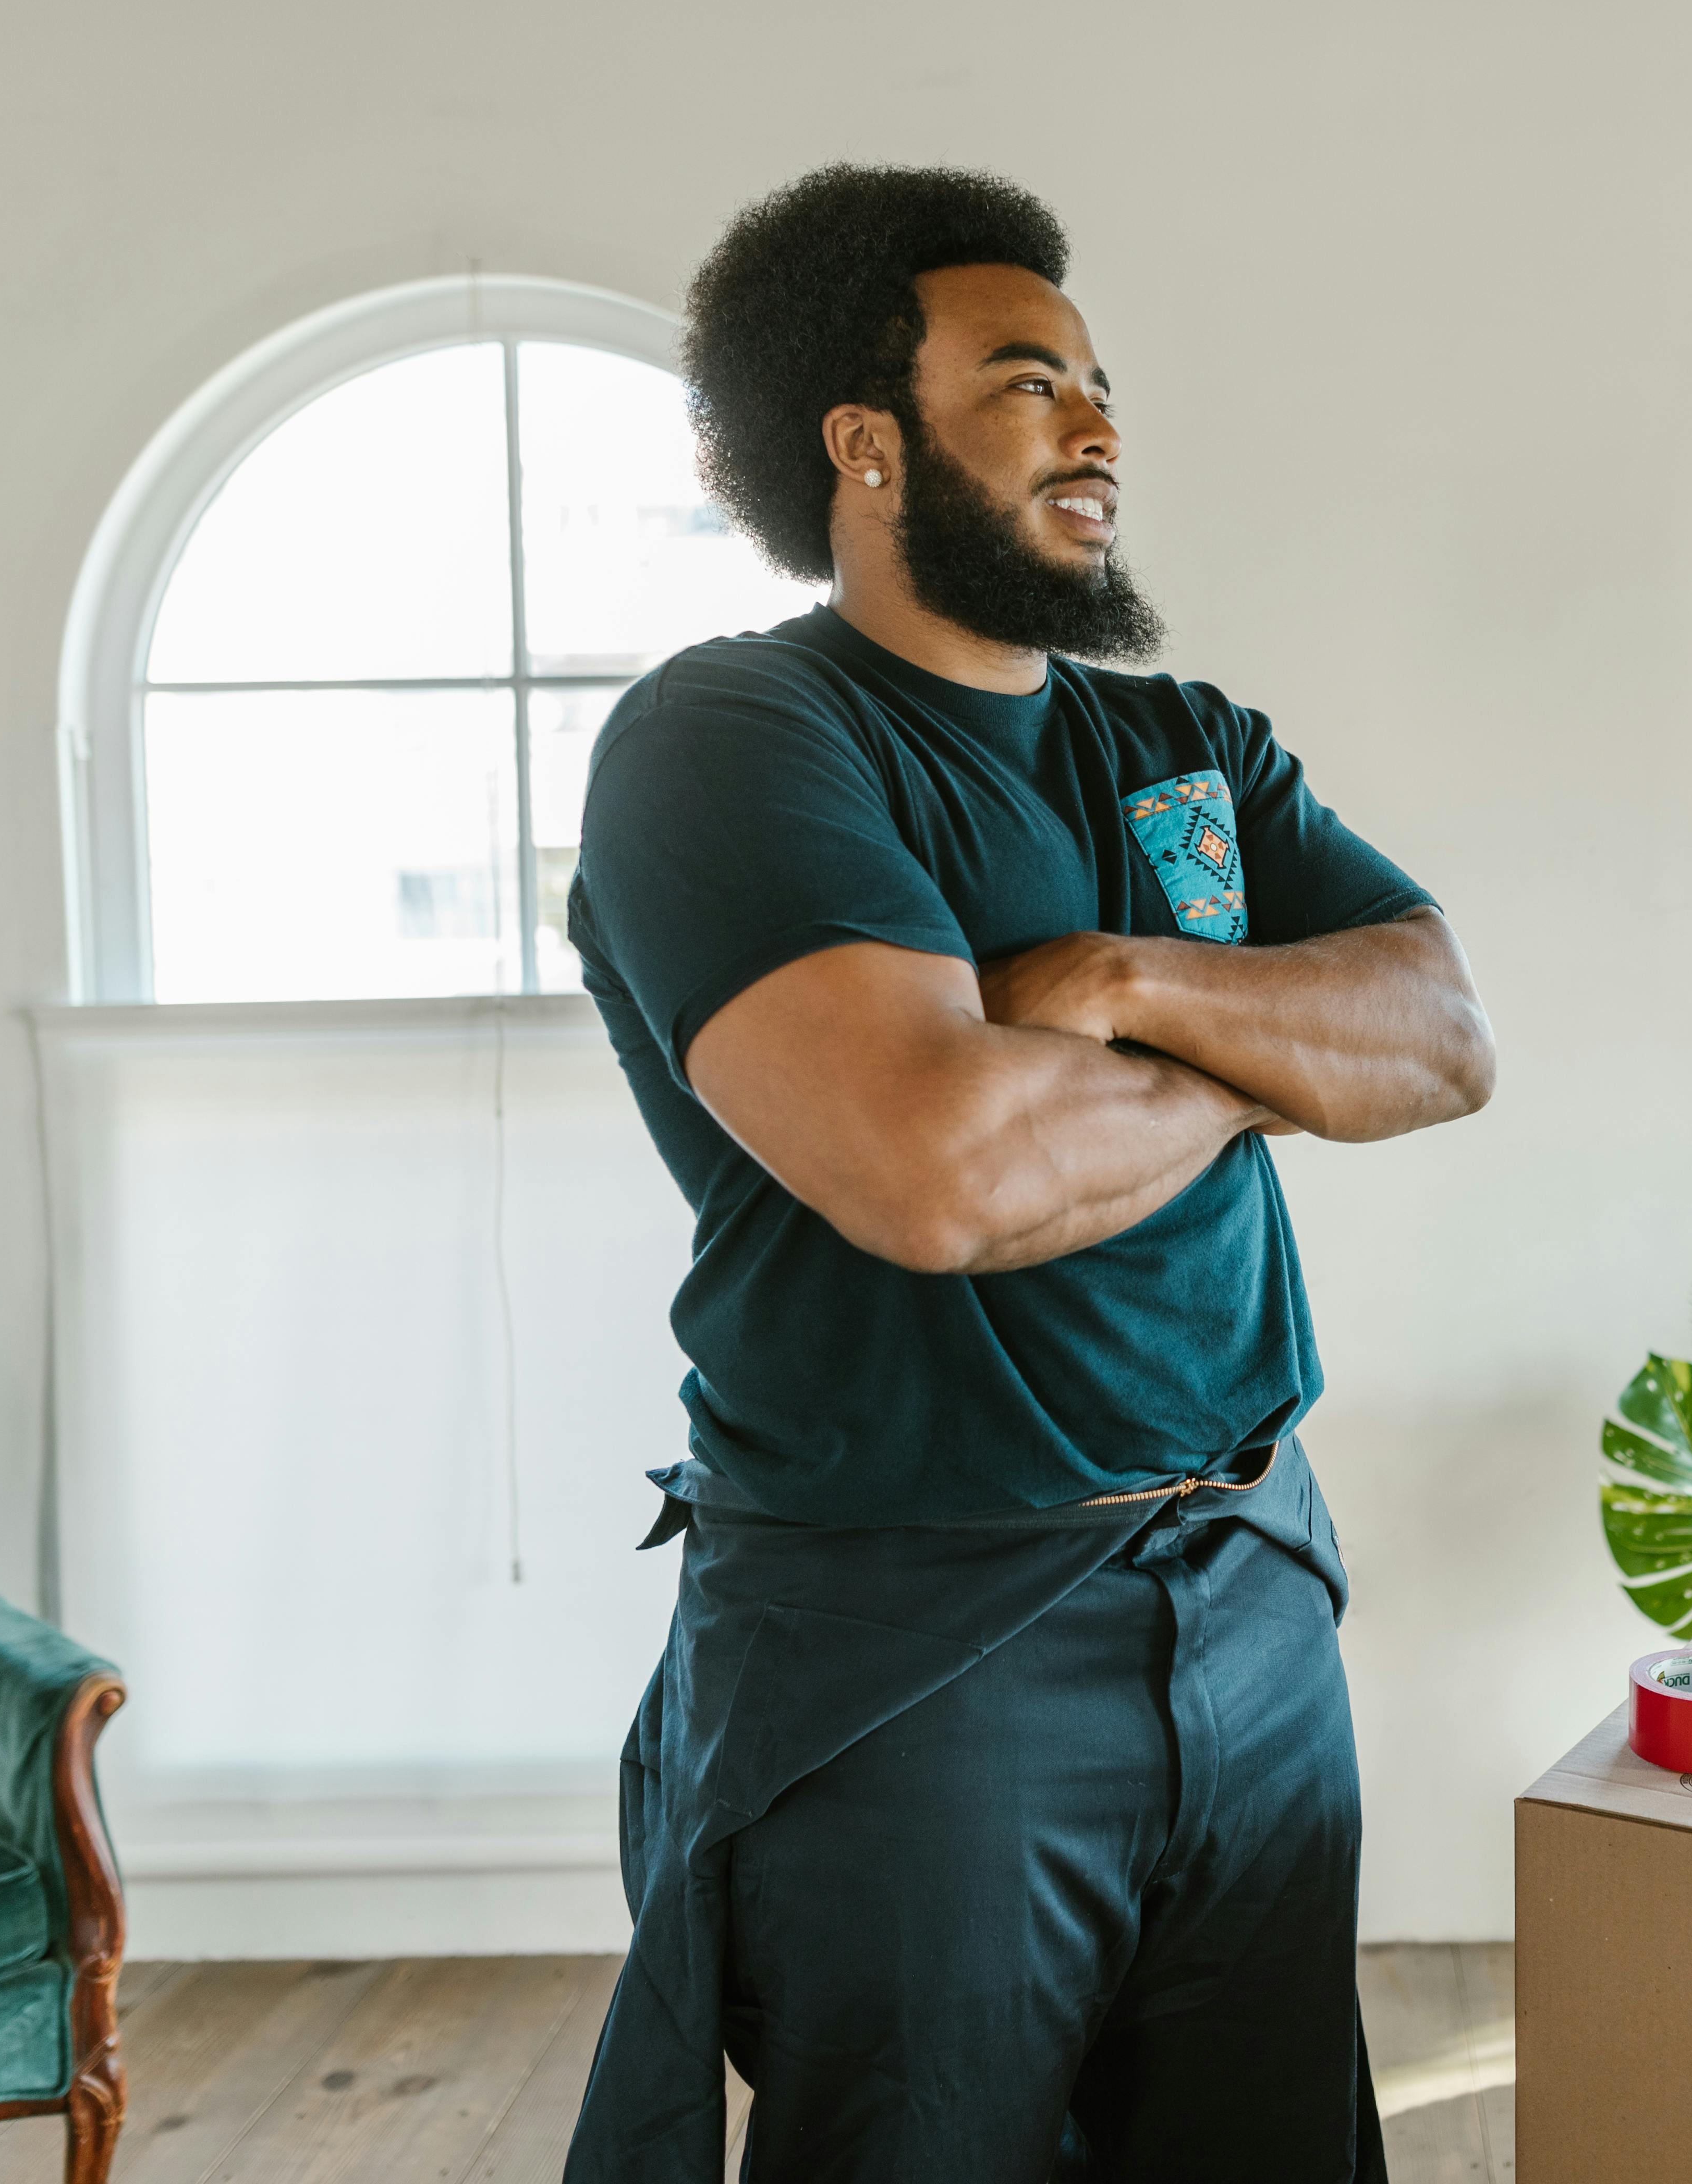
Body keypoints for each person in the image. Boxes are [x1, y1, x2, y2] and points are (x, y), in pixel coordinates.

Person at [559, 164, 1496, 2184]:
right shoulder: (737, 737)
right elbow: (943, 1172)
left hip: (1252, 1583)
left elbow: (1437, 1038)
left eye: (1097, 383)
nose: (1099, 425)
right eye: (1027, 381)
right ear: (865, 444)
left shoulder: (1181, 745)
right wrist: (1266, 1053)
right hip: (924, 1632)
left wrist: (1126, 983)